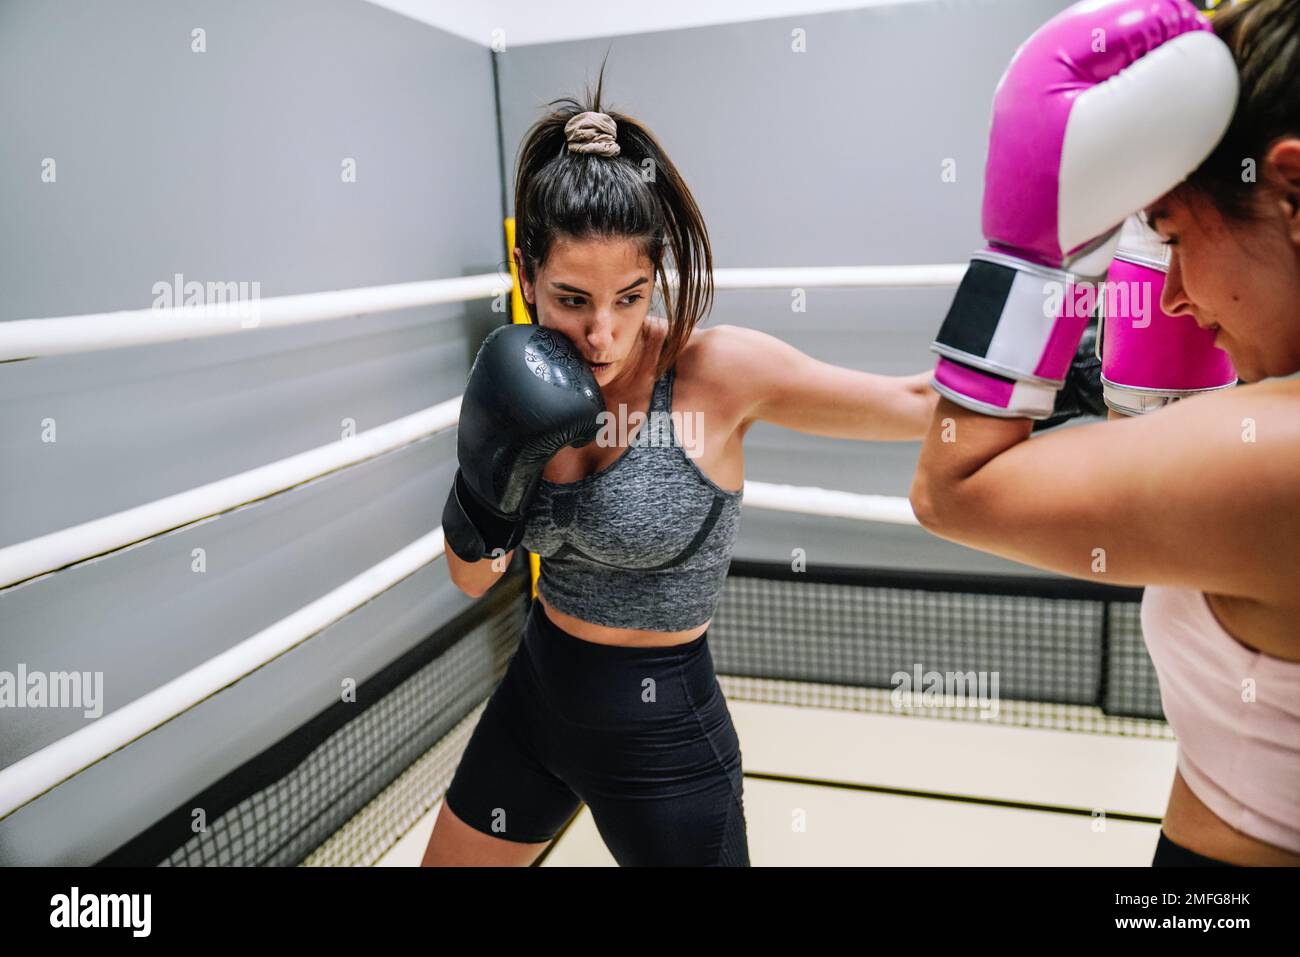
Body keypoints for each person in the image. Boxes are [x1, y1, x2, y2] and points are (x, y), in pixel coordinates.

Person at [423, 75, 940, 866]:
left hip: (663, 738)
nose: (603, 333)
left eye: (630, 297)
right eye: (569, 299)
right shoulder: (515, 379)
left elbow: (909, 402)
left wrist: (1055, 369)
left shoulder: (713, 373)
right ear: (525, 274)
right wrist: (486, 472)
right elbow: (470, 578)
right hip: (534, 702)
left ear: (655, 273)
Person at [911, 0, 1300, 866]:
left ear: (1293, 192)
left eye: (1170, 237)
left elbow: (949, 487)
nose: (1168, 296)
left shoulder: (1278, 457)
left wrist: (1033, 256)